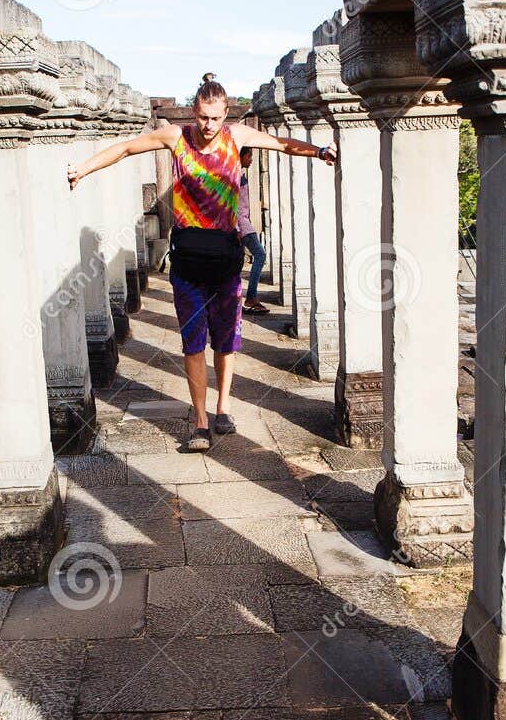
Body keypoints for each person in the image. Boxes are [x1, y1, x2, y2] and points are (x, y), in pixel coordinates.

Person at [68, 73, 336, 450]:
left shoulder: (236, 136)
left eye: (215, 118)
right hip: (188, 260)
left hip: (226, 257)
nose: (208, 125)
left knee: (225, 342)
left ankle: (223, 408)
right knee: (193, 343)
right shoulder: (177, 138)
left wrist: (320, 152)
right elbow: (127, 148)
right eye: (202, 117)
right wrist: (83, 169)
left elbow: (282, 144)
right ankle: (199, 421)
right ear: (194, 112)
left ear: (226, 114)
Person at [236, 146, 269, 316]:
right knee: (260, 255)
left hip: (242, 223)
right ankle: (251, 297)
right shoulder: (234, 177)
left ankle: (236, 301)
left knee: (237, 263)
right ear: (241, 156)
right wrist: (236, 229)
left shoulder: (239, 175)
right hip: (241, 225)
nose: (251, 159)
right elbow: (231, 205)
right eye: (249, 156)